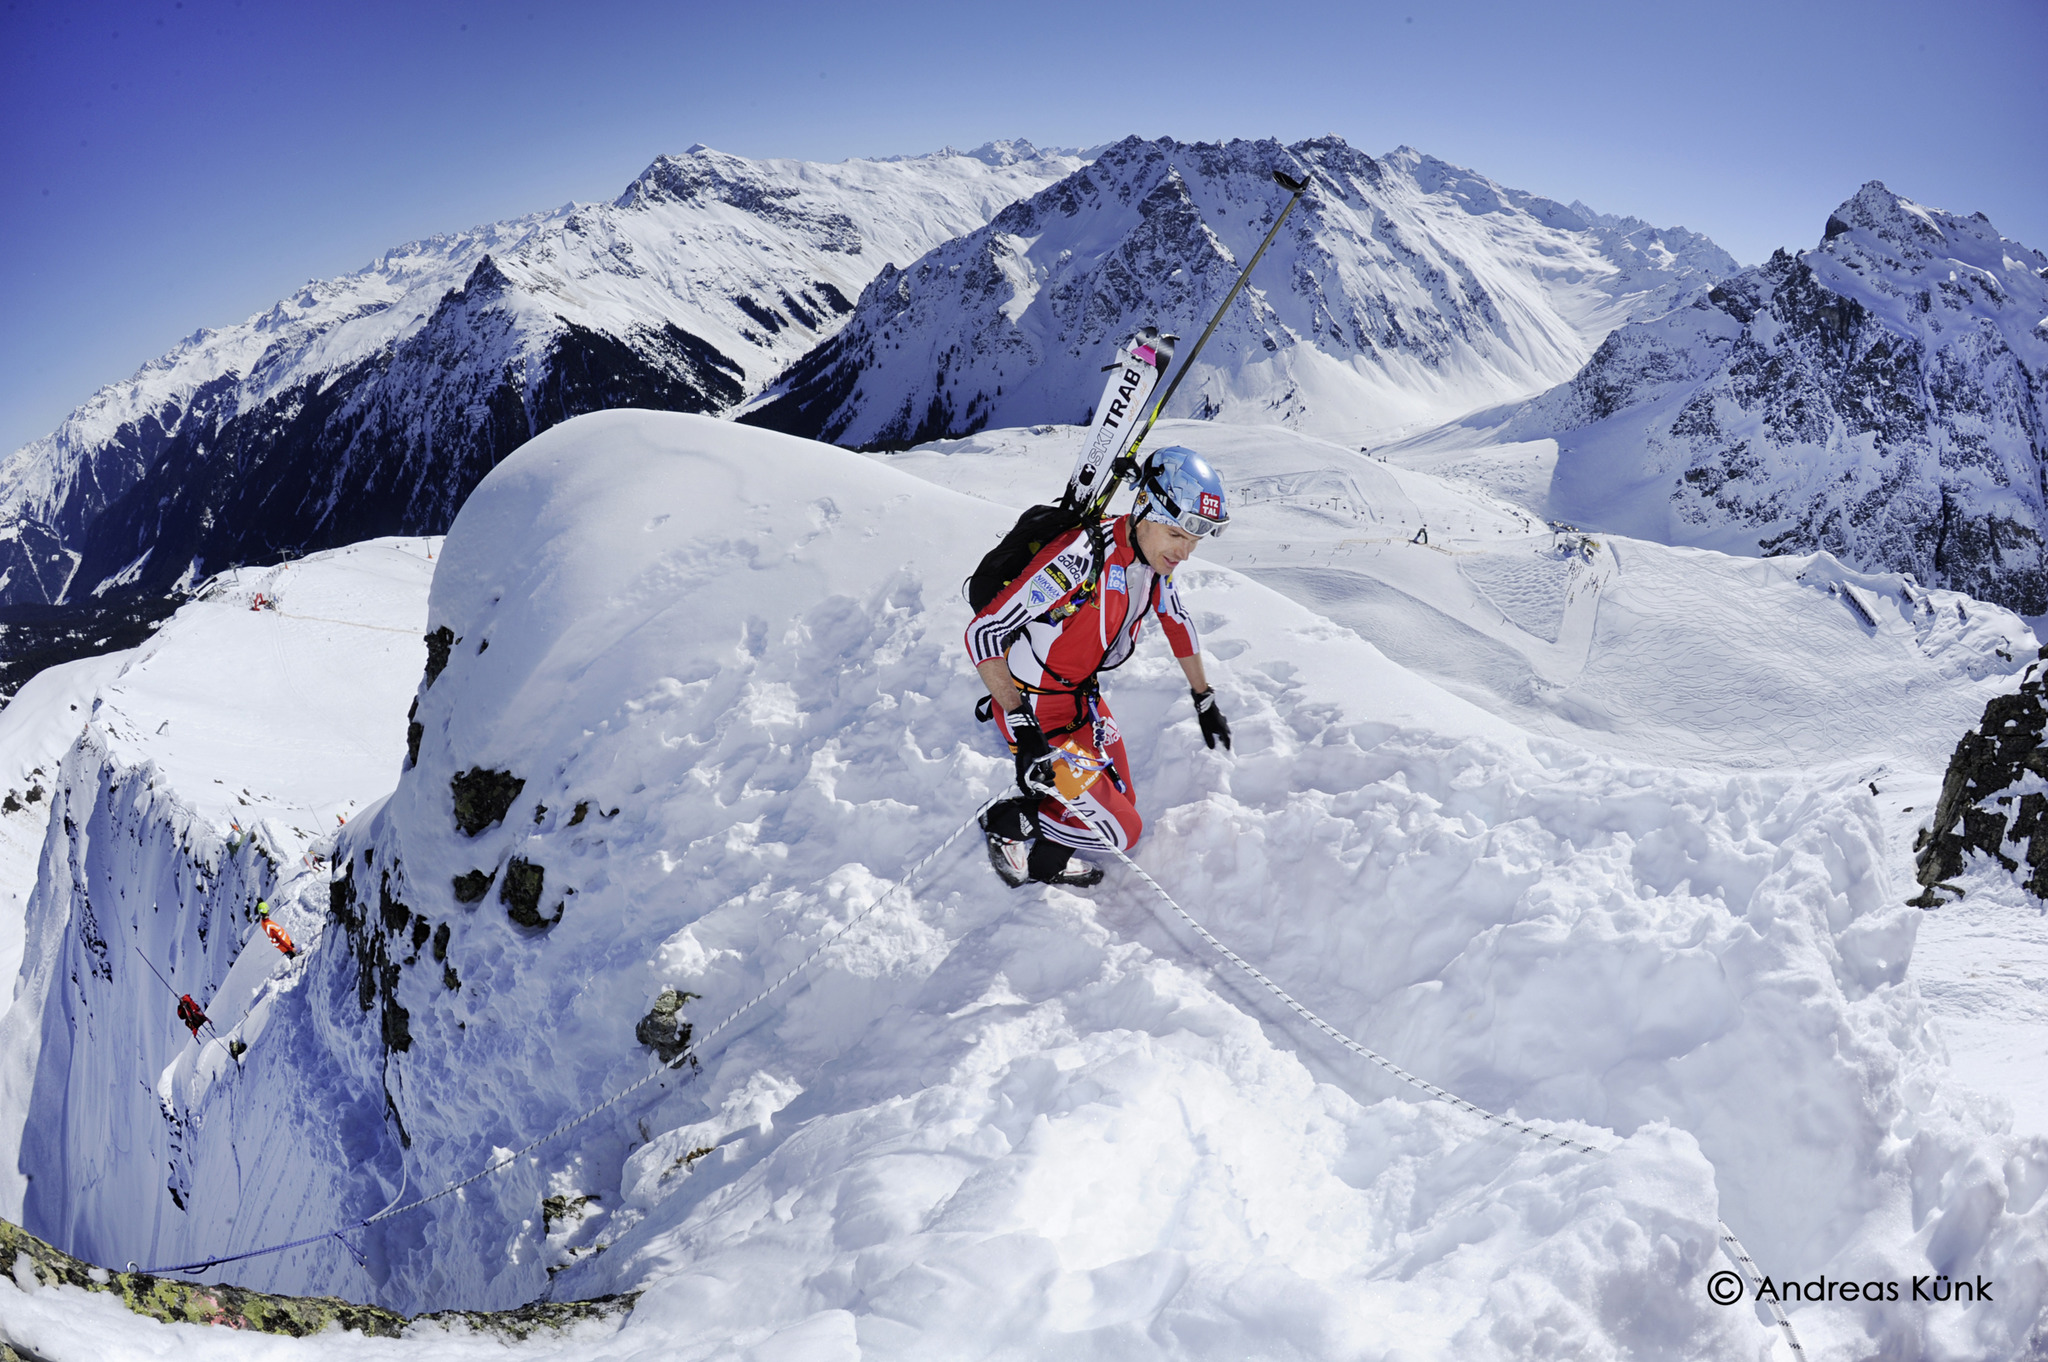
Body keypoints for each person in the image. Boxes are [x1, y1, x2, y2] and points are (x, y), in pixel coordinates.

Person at [965, 445, 1234, 887]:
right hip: (1036, 713)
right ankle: (1007, 822)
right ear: (1146, 509)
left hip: (1081, 704)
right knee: (1121, 831)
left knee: (1121, 797)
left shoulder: (1151, 566)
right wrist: (1023, 725)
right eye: (1177, 537)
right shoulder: (1079, 558)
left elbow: (1177, 622)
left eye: (1194, 542)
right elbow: (984, 633)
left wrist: (1204, 698)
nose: (1185, 553)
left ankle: (1048, 860)